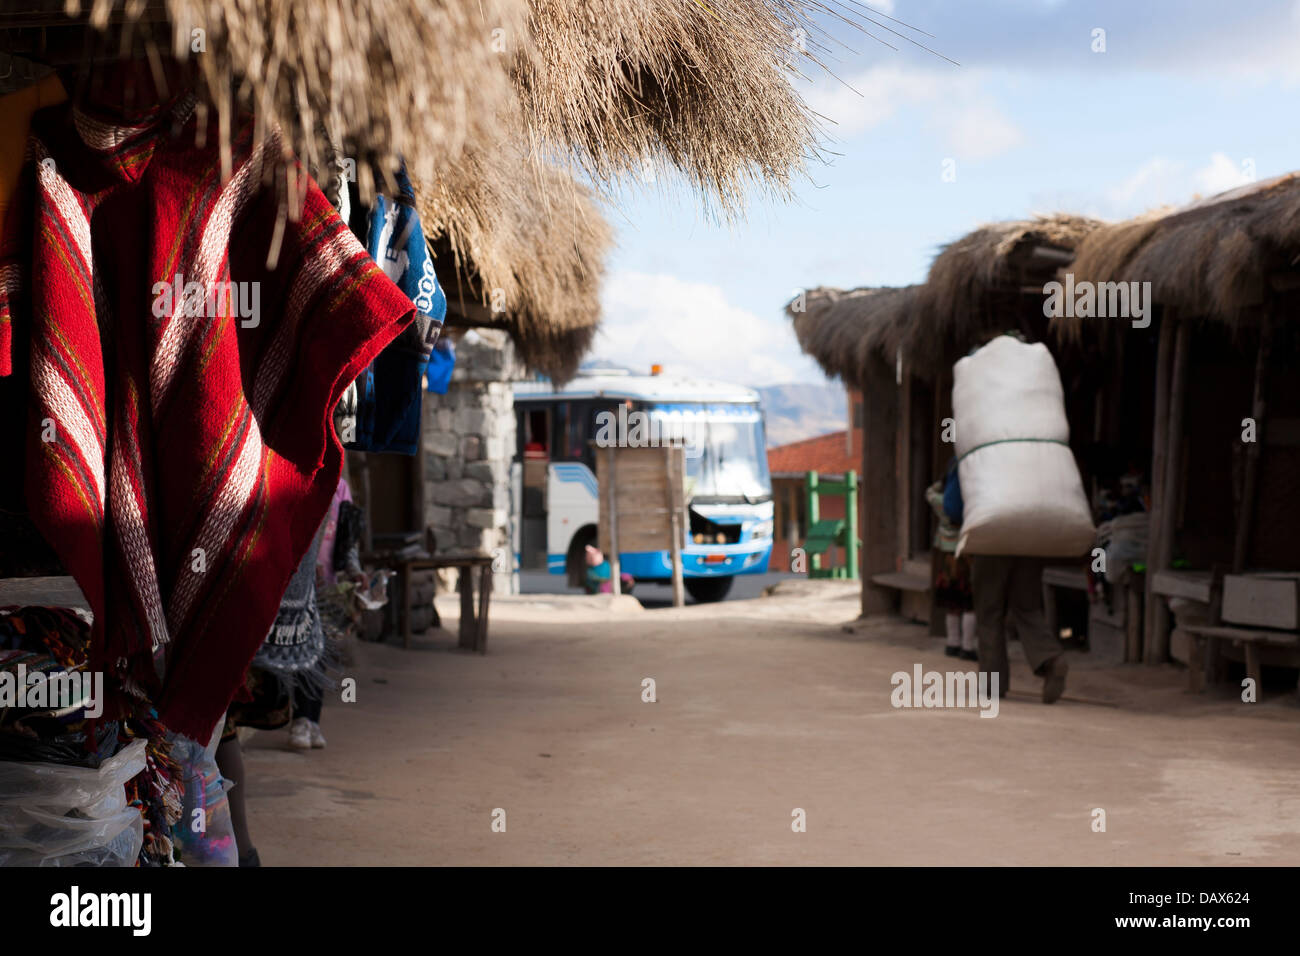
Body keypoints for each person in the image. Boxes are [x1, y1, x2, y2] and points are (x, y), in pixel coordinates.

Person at [926, 463, 976, 660]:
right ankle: (967, 646)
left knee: (952, 602)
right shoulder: (971, 504)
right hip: (967, 556)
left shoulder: (941, 502)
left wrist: (946, 479)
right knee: (970, 603)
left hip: (947, 558)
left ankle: (952, 643)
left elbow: (929, 491)